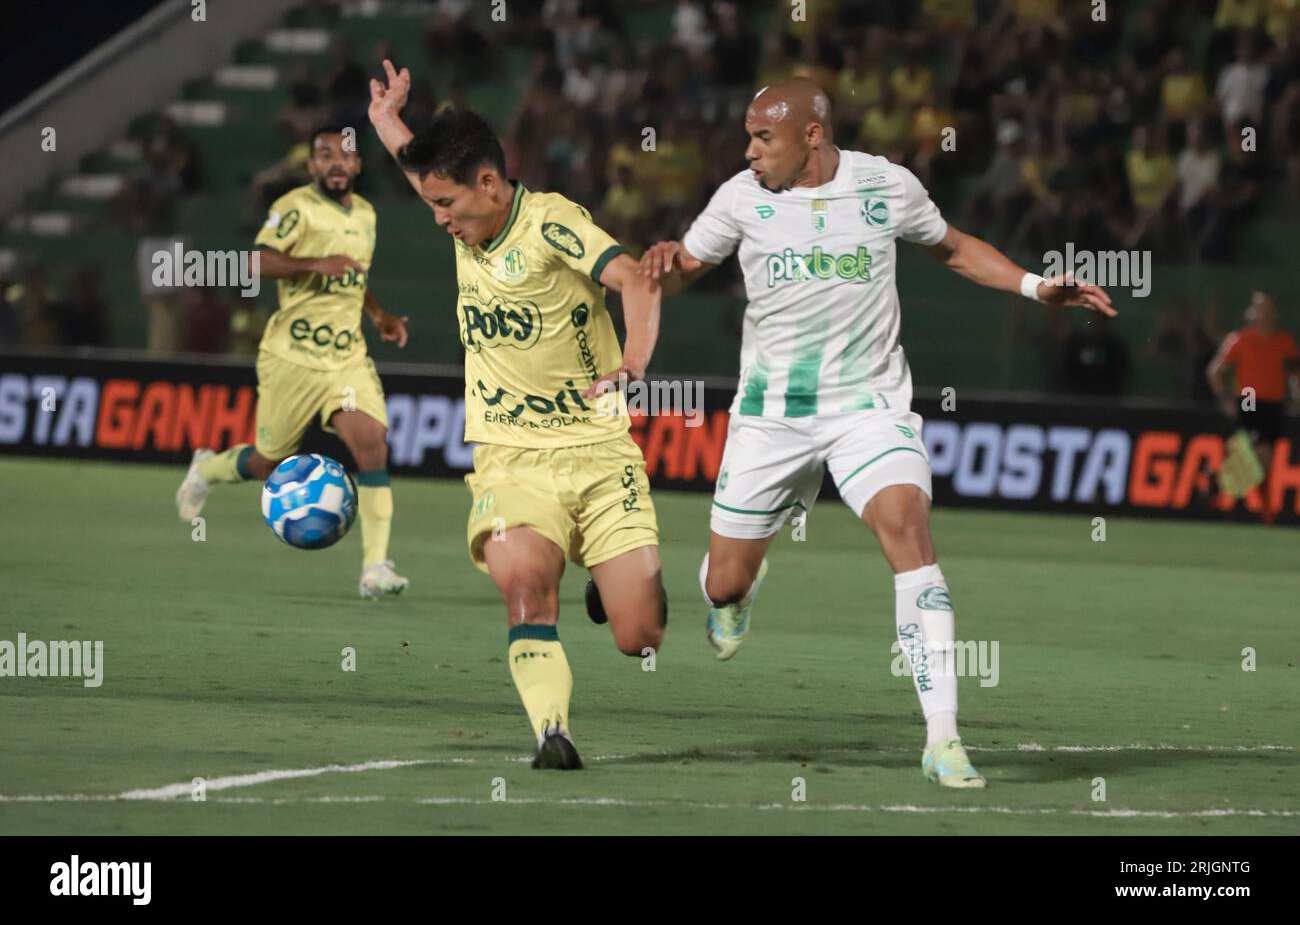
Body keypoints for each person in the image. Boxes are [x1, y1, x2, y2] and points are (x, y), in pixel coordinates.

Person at [640, 78, 1116, 789]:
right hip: (771, 417)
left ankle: (943, 739)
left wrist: (1033, 286)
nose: (749, 151)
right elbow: (686, 268)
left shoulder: (886, 185)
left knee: (908, 529)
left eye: (761, 136)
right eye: (747, 136)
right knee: (725, 581)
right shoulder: (741, 196)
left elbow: (952, 248)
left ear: (811, 133)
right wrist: (659, 264)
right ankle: (732, 594)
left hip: (870, 408)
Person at [367, 60, 668, 769]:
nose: (440, 221)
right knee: (527, 587)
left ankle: (607, 572)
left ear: (491, 186)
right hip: (512, 456)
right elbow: (425, 173)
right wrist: (386, 118)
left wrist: (636, 363)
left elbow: (634, 279)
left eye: (447, 205)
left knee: (640, 637)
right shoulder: (465, 210)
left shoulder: (554, 225)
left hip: (598, 453)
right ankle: (552, 732)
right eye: (433, 206)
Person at [175, 125, 412, 599]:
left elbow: (352, 277)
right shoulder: (295, 208)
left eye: (345, 155)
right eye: (324, 155)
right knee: (267, 461)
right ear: (312, 166)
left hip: (345, 358)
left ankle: (375, 567)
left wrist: (380, 316)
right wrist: (313, 264)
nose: (335, 163)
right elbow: (254, 263)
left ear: (358, 165)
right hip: (293, 358)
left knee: (372, 445)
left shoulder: (366, 214)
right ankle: (209, 468)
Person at [1206, 292, 1300, 523]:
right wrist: (1227, 401)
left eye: (1268, 309)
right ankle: (1263, 508)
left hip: (1274, 404)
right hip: (1249, 400)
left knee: (1263, 461)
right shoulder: (1240, 340)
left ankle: (1221, 483)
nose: (1265, 314)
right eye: (1261, 309)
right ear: (1253, 312)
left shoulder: (1285, 342)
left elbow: (1294, 372)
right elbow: (1215, 373)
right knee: (1259, 454)